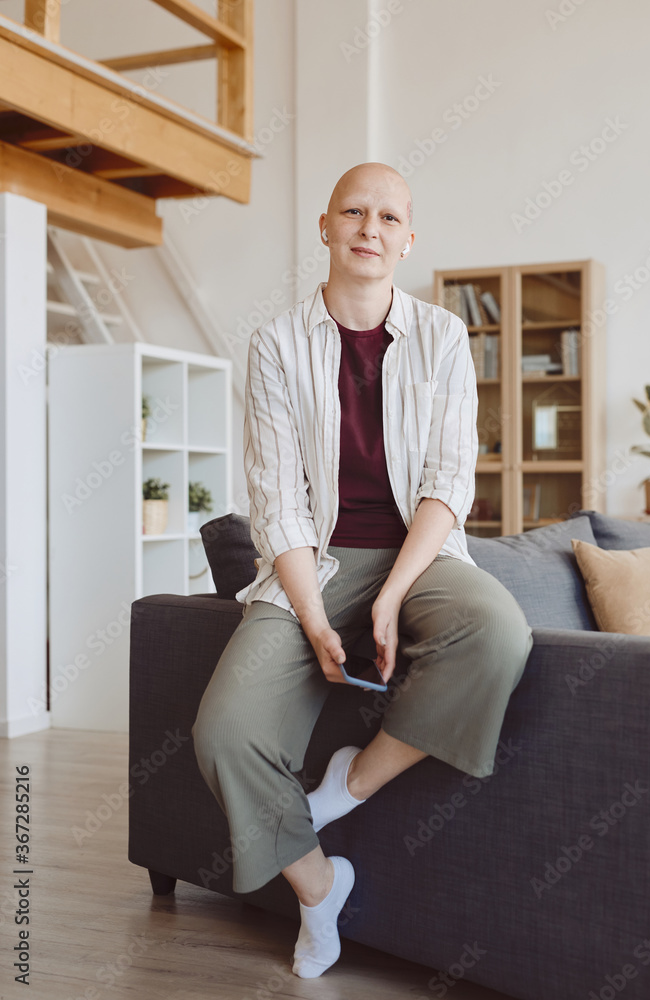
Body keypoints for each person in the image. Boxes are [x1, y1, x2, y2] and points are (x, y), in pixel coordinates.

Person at [192, 161, 534, 979]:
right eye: (353, 211)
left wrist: (389, 598)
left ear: (407, 238)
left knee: (496, 633)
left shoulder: (445, 336)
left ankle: (351, 781)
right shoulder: (275, 343)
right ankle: (317, 886)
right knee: (224, 731)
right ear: (324, 227)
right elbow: (278, 500)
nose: (368, 228)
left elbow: (449, 481)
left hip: (420, 553)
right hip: (312, 559)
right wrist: (314, 617)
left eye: (387, 217)